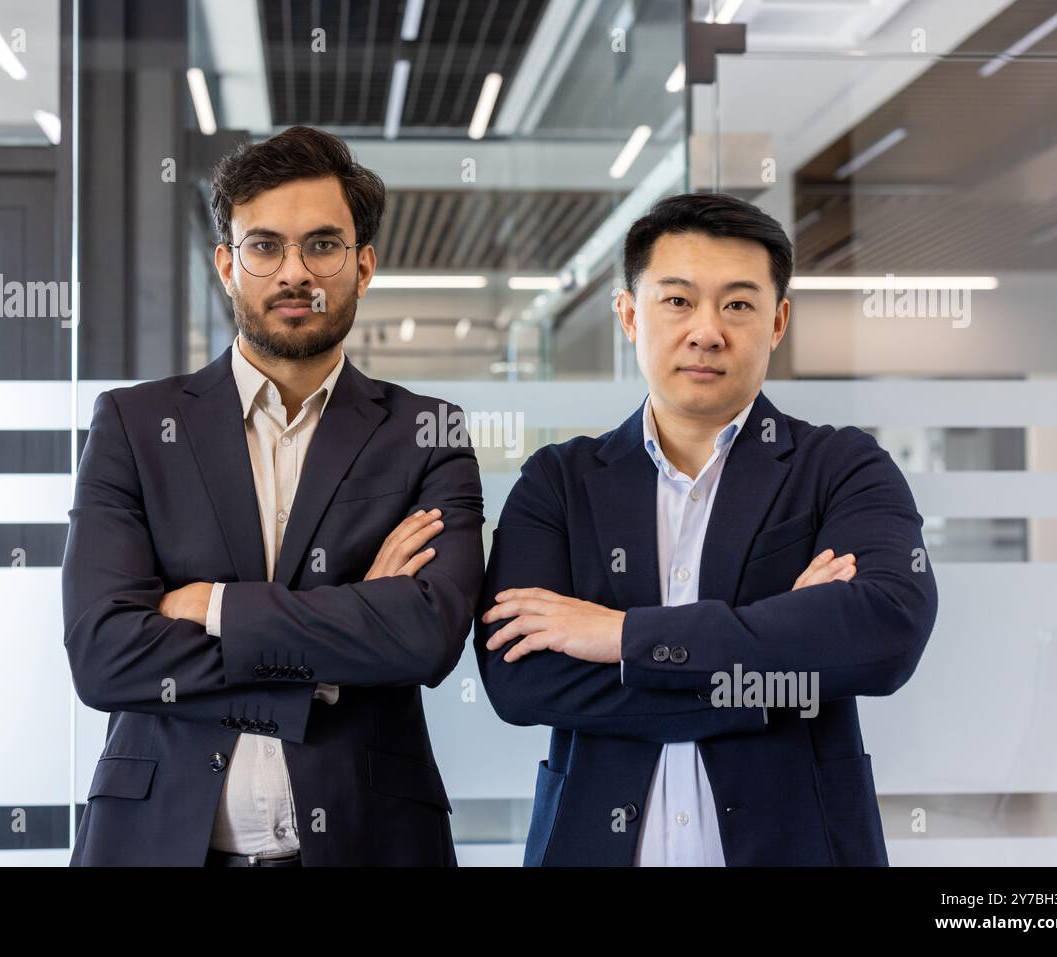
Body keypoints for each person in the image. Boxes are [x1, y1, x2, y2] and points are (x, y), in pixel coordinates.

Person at [475, 191, 937, 866]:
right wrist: (778, 666)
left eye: (739, 304)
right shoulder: (560, 482)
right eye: (678, 300)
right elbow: (519, 680)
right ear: (629, 315)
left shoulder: (841, 466)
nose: (707, 330)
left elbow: (886, 632)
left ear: (778, 321)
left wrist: (619, 635)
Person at [63, 126, 484, 866]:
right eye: (264, 246)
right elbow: (105, 656)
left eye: (322, 245)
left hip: (369, 843)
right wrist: (335, 651)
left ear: (364, 265)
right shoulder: (134, 424)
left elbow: (425, 637)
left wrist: (214, 608)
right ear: (228, 265)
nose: (295, 271)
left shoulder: (428, 431)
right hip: (158, 841)